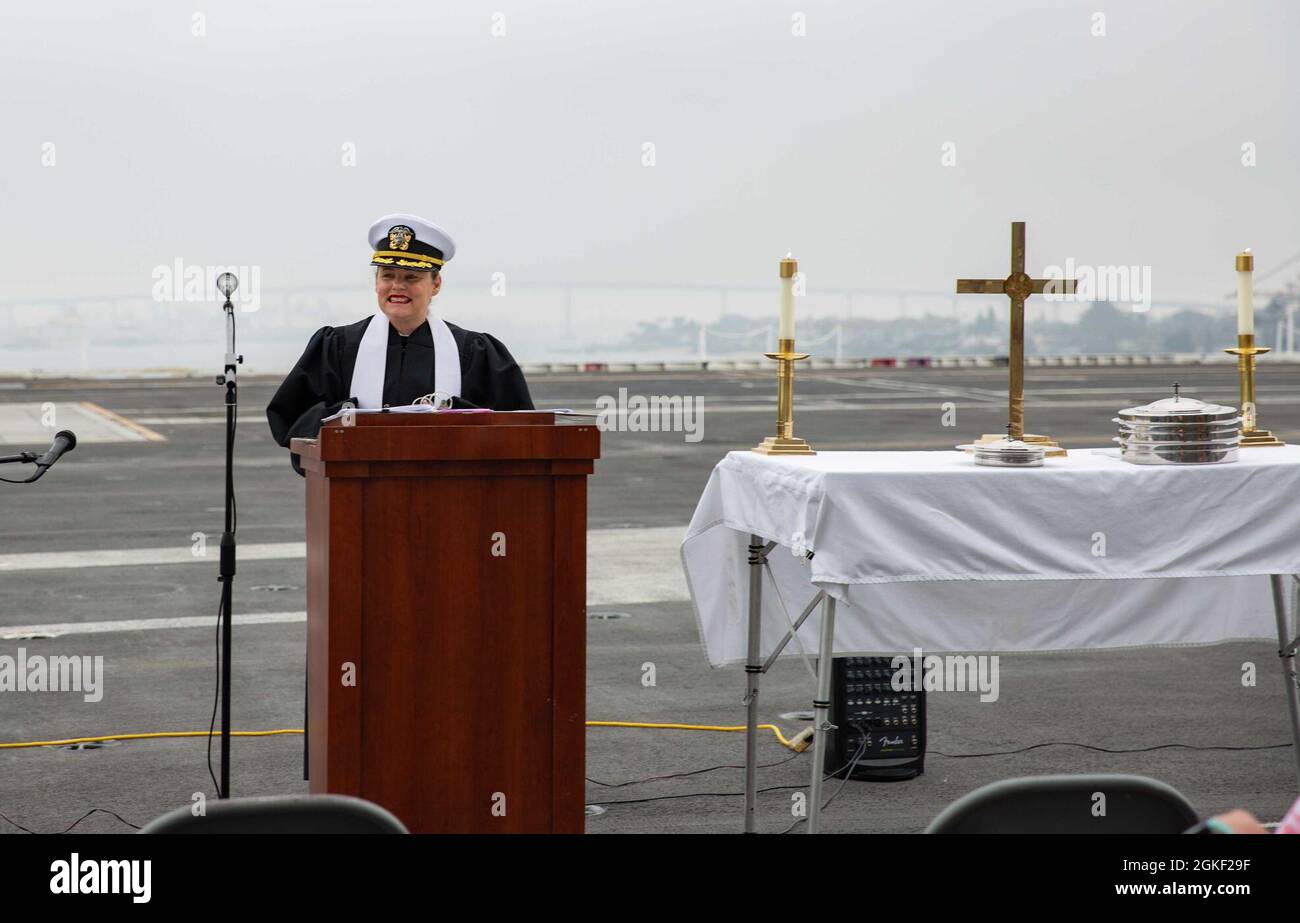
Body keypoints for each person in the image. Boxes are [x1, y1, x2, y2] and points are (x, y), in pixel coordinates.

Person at [266, 213, 534, 476]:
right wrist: (348, 415)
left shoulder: (474, 352)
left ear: (436, 284)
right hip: (355, 497)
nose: (397, 286)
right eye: (387, 275)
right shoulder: (338, 347)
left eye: (411, 277)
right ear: (376, 282)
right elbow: (293, 422)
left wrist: (456, 414)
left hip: (454, 497)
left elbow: (520, 431)